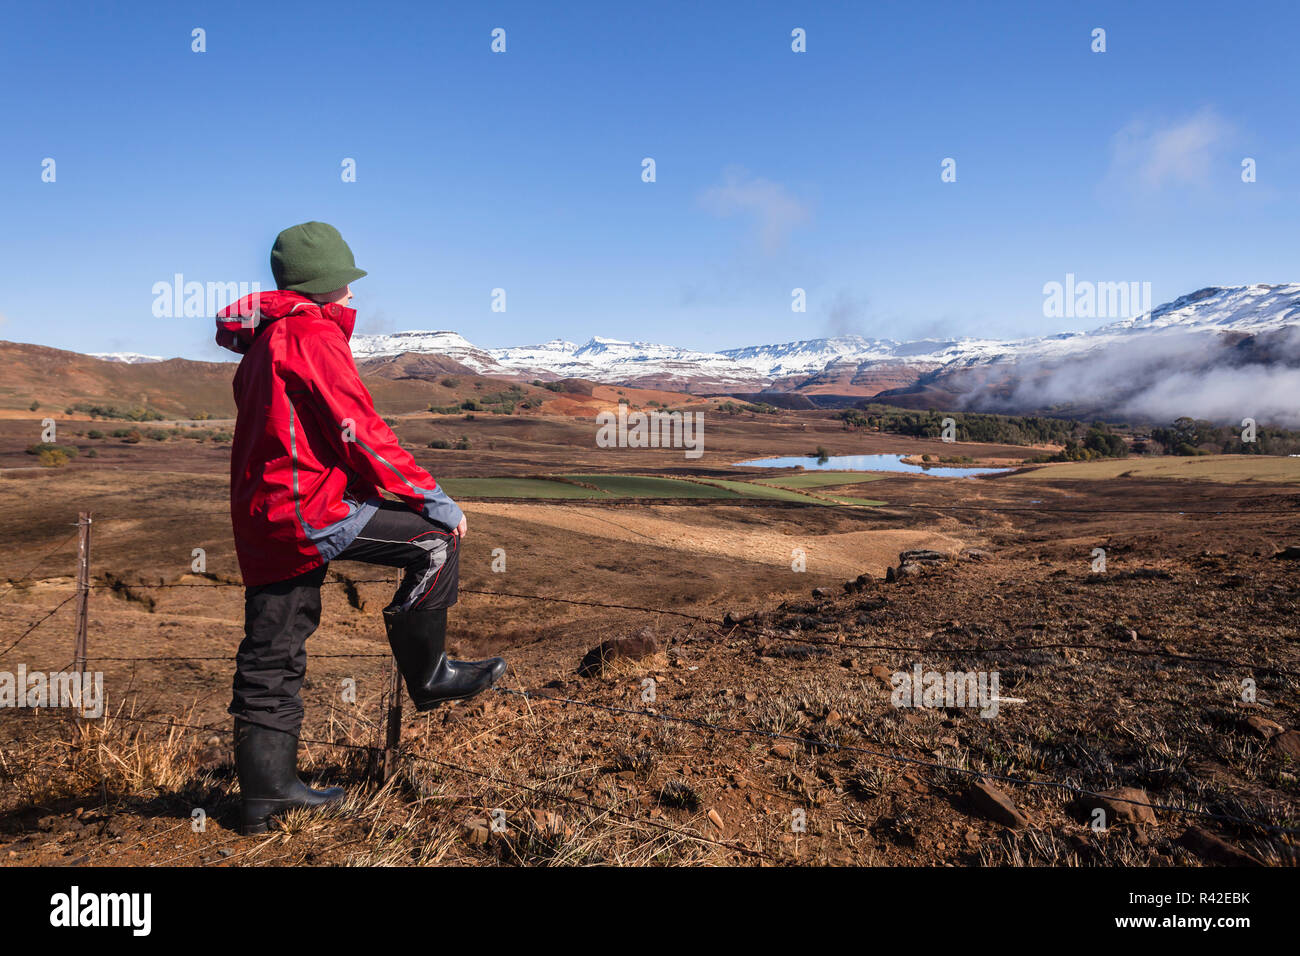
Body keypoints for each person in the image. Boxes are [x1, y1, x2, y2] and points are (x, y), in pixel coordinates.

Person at [214, 221, 506, 834]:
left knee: (273, 648)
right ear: (324, 286)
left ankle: (267, 796)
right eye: (347, 285)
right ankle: (431, 676)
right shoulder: (311, 336)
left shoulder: (267, 339)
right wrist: (434, 498)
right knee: (433, 540)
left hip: (265, 515)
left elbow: (310, 435)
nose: (354, 296)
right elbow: (360, 431)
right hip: (307, 512)